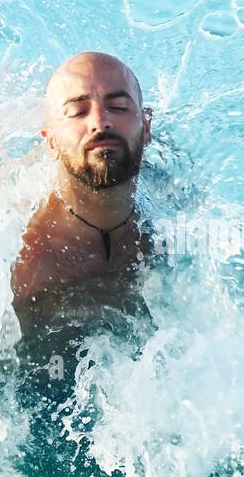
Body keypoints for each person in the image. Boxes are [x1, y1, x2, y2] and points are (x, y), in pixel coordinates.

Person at [11, 51, 153, 324]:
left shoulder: (176, 220)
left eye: (119, 106)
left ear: (146, 129)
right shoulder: (27, 266)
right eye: (77, 112)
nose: (100, 123)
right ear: (50, 141)